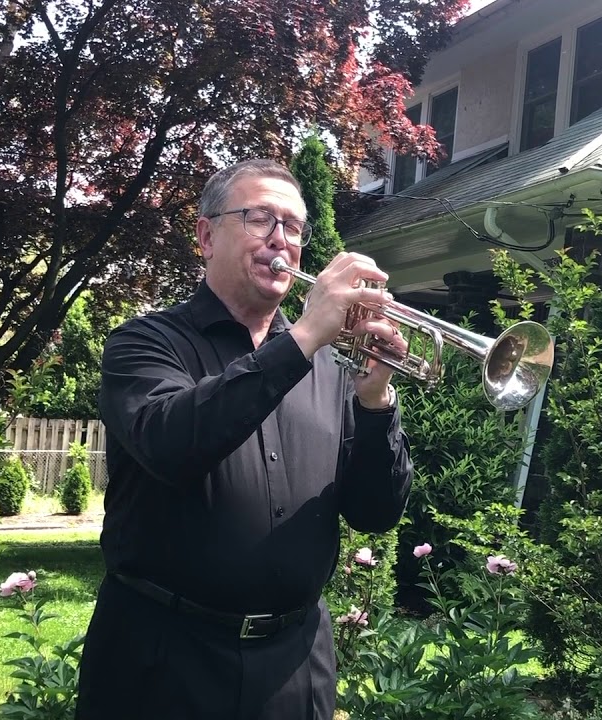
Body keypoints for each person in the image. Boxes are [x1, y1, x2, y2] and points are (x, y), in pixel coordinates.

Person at [74, 158, 414, 719]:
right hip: (161, 661)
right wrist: (303, 337)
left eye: (295, 227)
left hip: (296, 666)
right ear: (206, 237)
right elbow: (170, 445)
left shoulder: (331, 366)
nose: (281, 240)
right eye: (260, 219)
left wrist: (375, 400)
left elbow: (375, 513)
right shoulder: (145, 343)